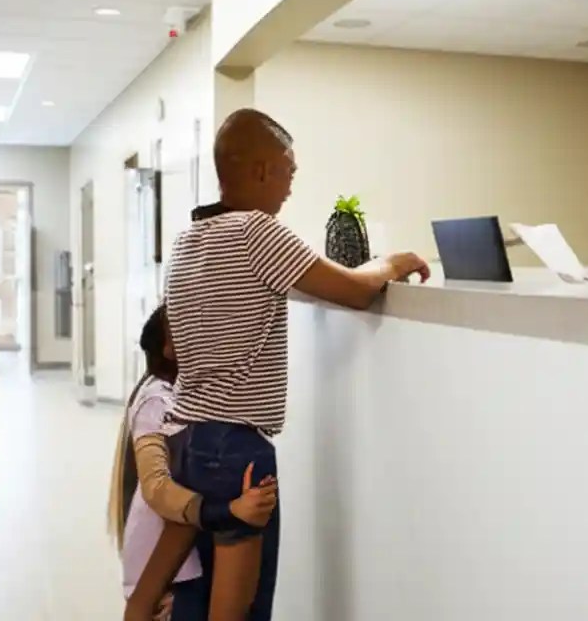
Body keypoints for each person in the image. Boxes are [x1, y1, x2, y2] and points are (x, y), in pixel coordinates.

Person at [164, 108, 430, 620]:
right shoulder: (257, 232)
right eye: (289, 172)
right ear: (263, 170)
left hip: (189, 440)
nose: (289, 188)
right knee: (241, 609)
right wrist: (395, 262)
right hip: (237, 447)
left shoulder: (188, 238)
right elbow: (353, 290)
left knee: (197, 597)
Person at [113, 306, 278, 621]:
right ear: (170, 350)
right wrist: (229, 512)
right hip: (172, 575)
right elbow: (156, 486)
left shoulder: (174, 397)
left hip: (174, 568)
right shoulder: (159, 402)